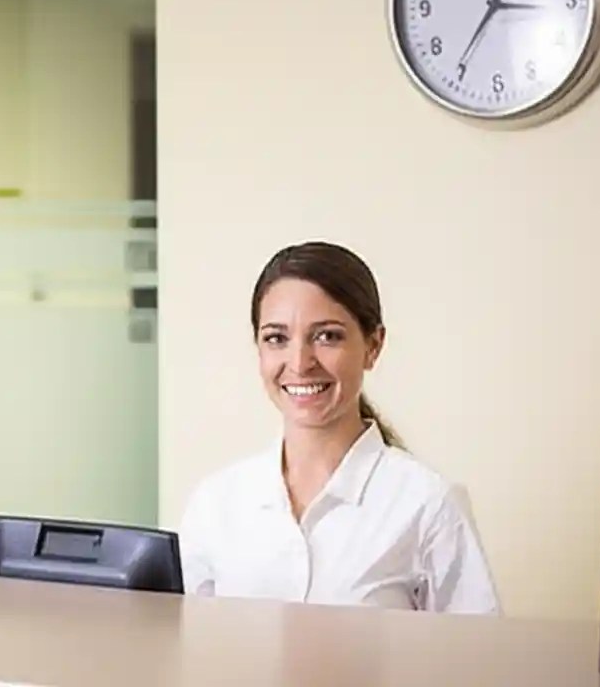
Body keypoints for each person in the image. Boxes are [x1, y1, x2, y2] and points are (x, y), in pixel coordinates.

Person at [178, 241, 500, 614]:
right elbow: (185, 651)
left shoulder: (427, 504)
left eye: (327, 336)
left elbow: (474, 662)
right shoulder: (217, 503)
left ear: (373, 346)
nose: (299, 362)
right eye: (276, 338)